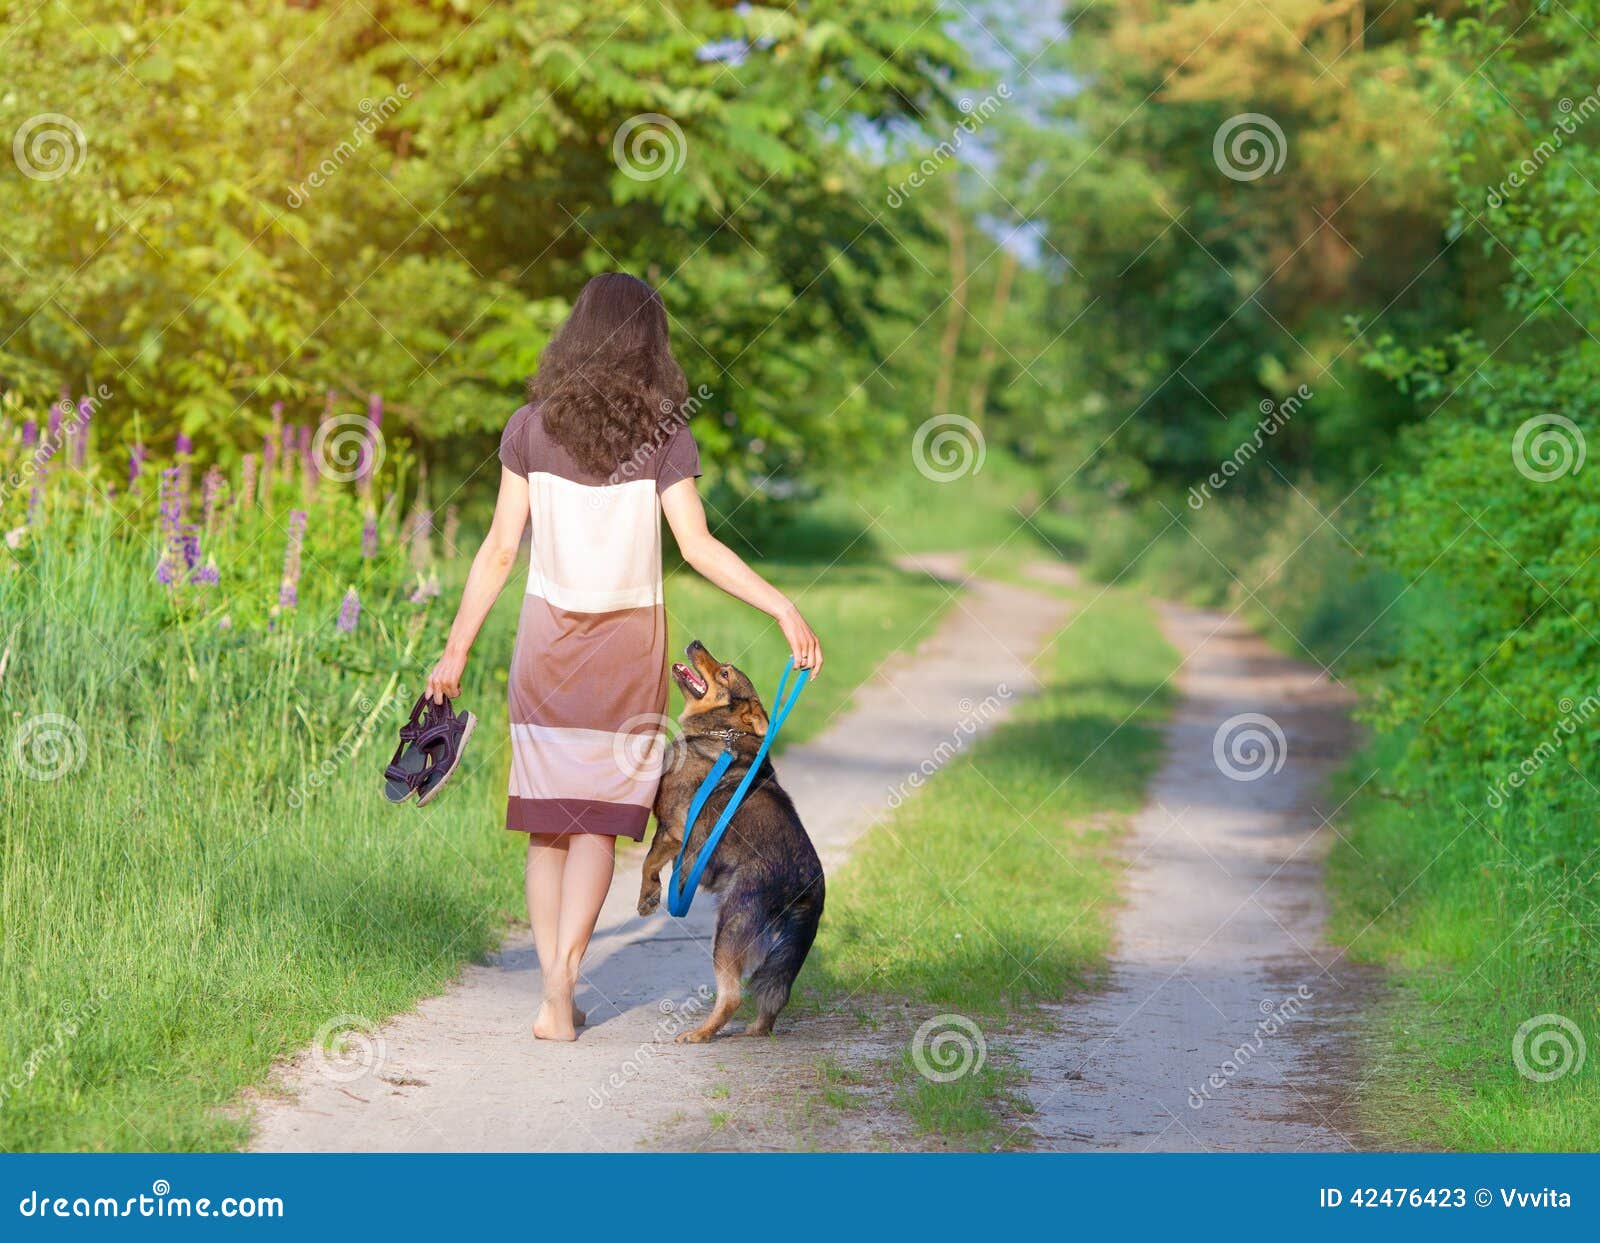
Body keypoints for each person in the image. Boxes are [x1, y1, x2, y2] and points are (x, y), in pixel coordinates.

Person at [425, 272, 823, 1041]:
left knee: (548, 825)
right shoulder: (668, 437)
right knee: (597, 826)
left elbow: (500, 548)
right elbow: (698, 547)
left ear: (575, 335)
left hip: (545, 646)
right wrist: (781, 604)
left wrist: (455, 649)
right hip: (626, 653)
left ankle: (554, 990)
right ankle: (564, 981)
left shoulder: (528, 428)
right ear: (650, 344)